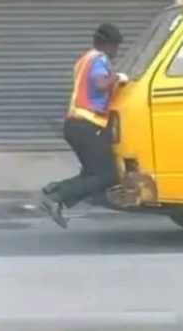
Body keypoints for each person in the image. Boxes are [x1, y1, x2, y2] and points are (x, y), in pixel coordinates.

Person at [41, 23, 127, 228]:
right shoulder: (99, 59)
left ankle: (55, 190)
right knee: (108, 175)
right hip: (88, 125)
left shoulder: (84, 59)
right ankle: (56, 197)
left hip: (75, 125)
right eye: (116, 48)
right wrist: (118, 77)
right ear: (108, 45)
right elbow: (100, 84)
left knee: (91, 172)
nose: (116, 53)